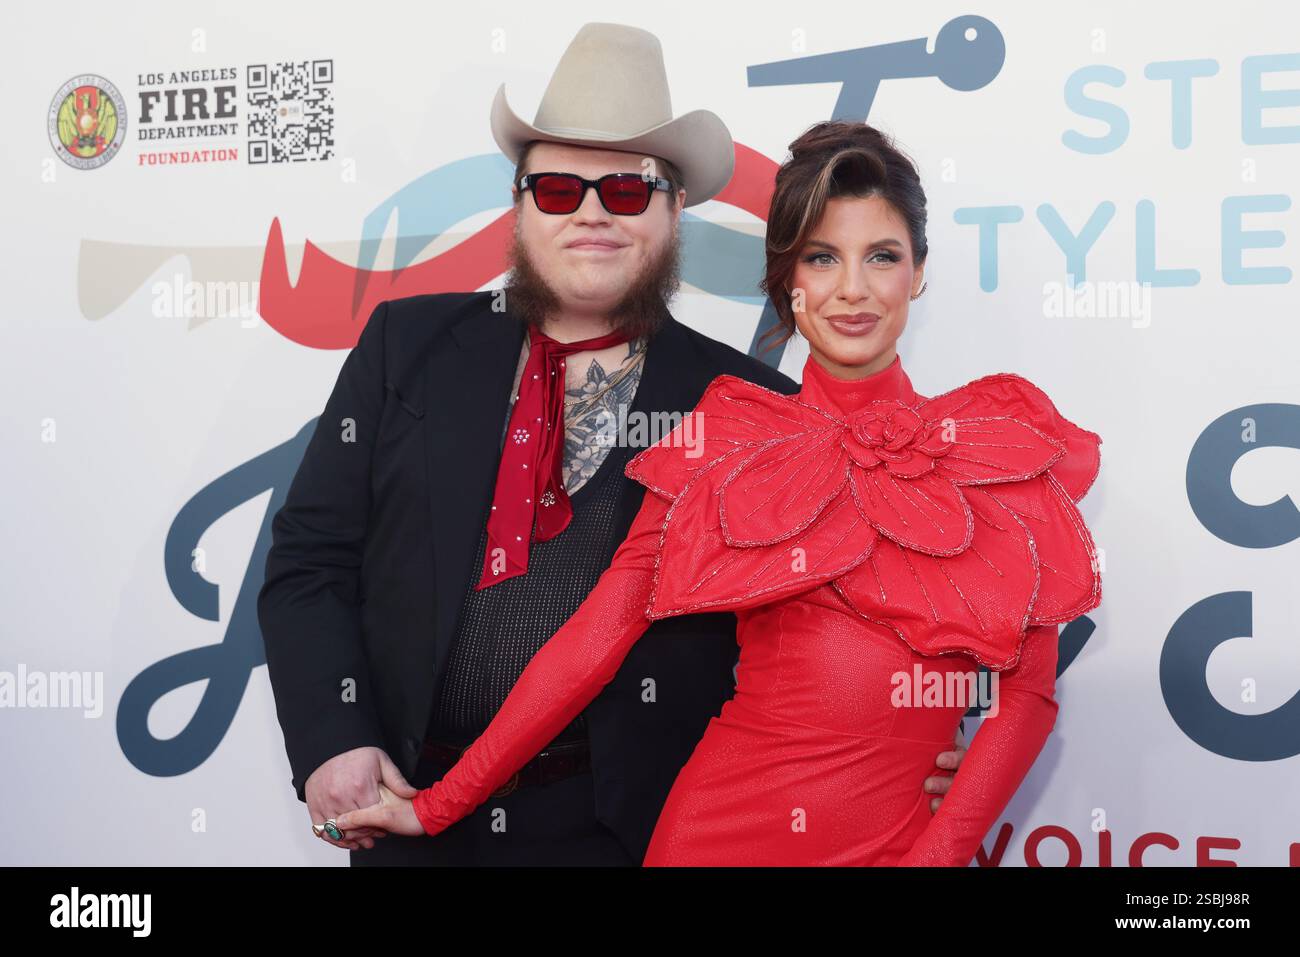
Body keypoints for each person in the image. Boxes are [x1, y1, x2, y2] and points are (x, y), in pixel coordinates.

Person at [258, 26, 968, 866]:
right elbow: (309, 558)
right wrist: (331, 736)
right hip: (410, 816)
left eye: (629, 190)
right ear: (519, 206)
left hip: (631, 834)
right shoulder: (403, 346)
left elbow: (844, 628)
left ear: (675, 213)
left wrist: (926, 731)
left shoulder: (750, 408)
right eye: (558, 188)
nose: (592, 212)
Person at [336, 118, 1104, 866]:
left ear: (919, 271)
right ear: (787, 280)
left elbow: (1025, 699)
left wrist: (937, 855)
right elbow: (590, 642)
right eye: (821, 259)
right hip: (716, 834)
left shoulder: (991, 446)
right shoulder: (728, 437)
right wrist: (439, 802)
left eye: (882, 255)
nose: (854, 290)